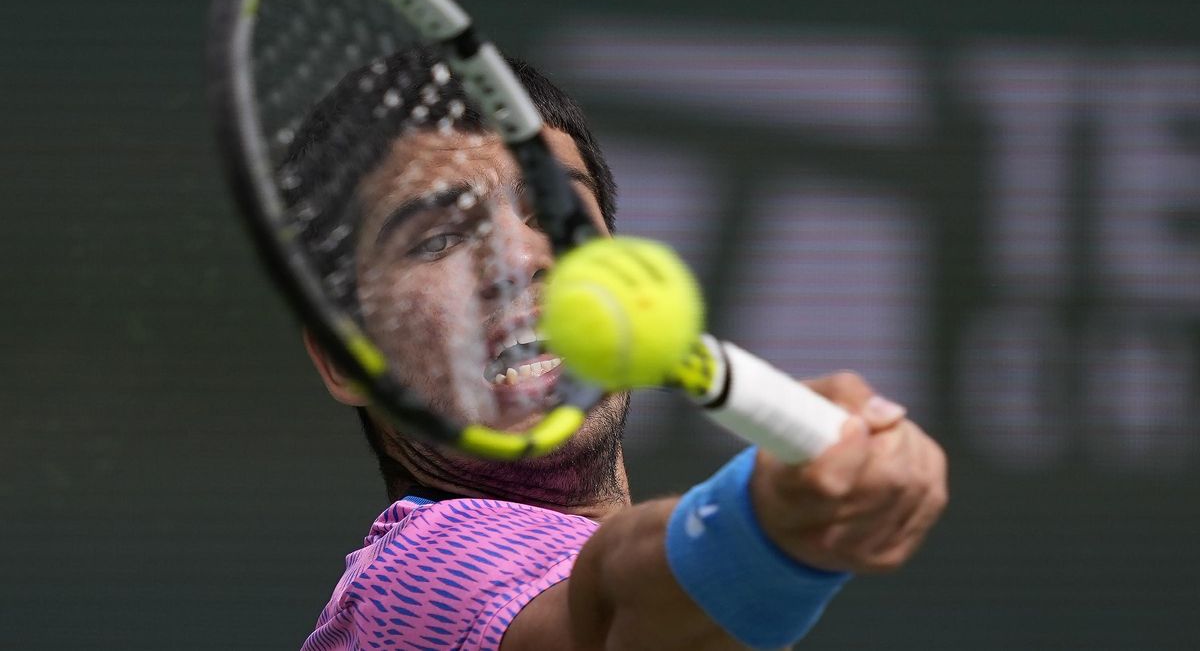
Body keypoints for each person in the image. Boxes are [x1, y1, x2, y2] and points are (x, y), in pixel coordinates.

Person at [291, 48, 947, 650]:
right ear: (348, 358)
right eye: (436, 240)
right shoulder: (414, 572)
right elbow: (612, 606)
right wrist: (763, 521)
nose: (522, 257)